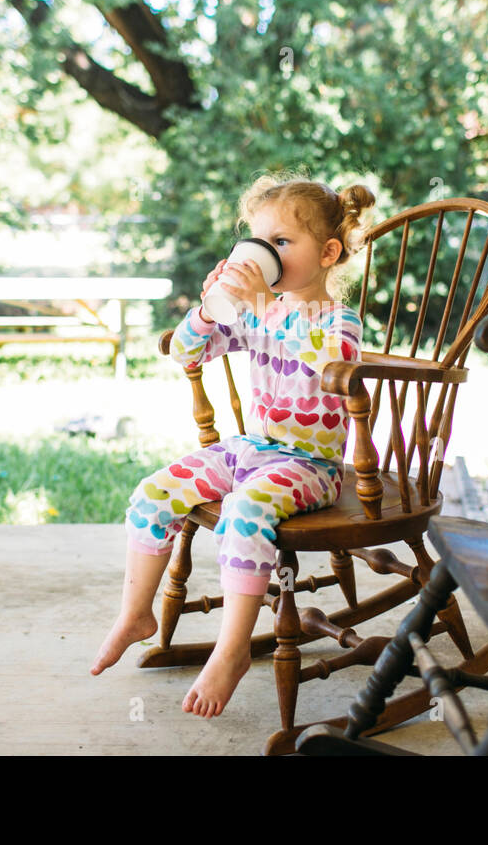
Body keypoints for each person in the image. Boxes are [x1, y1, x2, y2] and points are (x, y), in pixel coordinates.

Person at [90, 174, 375, 718]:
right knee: (154, 492)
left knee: (246, 509)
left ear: (329, 252)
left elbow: (331, 364)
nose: (265, 253)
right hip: (251, 449)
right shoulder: (254, 311)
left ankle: (233, 647)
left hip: (311, 465)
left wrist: (260, 305)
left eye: (282, 243)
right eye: (259, 241)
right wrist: (209, 308)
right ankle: (135, 612)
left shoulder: (338, 319)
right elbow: (185, 353)